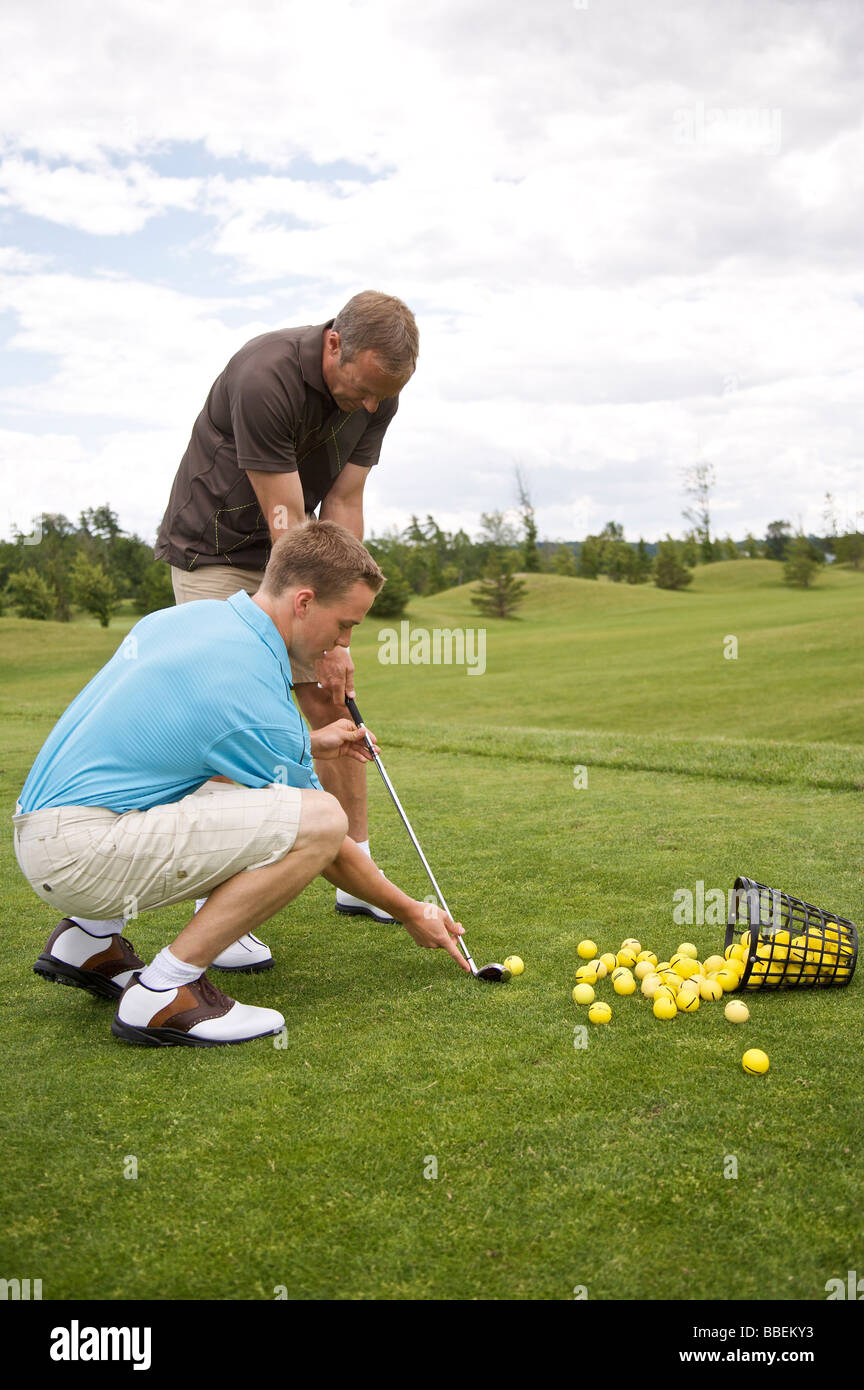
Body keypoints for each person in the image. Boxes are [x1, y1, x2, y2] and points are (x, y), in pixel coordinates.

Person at [13, 520, 470, 1048]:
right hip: (80, 854)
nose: (344, 642)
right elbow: (330, 848)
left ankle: (87, 941)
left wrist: (312, 744)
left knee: (242, 791)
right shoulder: (253, 693)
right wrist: (410, 911)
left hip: (46, 832)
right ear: (303, 602)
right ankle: (165, 991)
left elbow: (200, 741)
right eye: (345, 625)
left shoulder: (193, 619)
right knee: (322, 819)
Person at [153, 290, 418, 970]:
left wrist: (340, 640)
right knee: (230, 710)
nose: (369, 407)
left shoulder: (377, 394)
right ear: (335, 344)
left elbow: (346, 501)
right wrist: (317, 630)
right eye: (363, 388)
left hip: (296, 549)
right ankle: (218, 903)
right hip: (217, 551)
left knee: (331, 699)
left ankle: (355, 864)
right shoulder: (264, 374)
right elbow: (288, 522)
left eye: (381, 398)